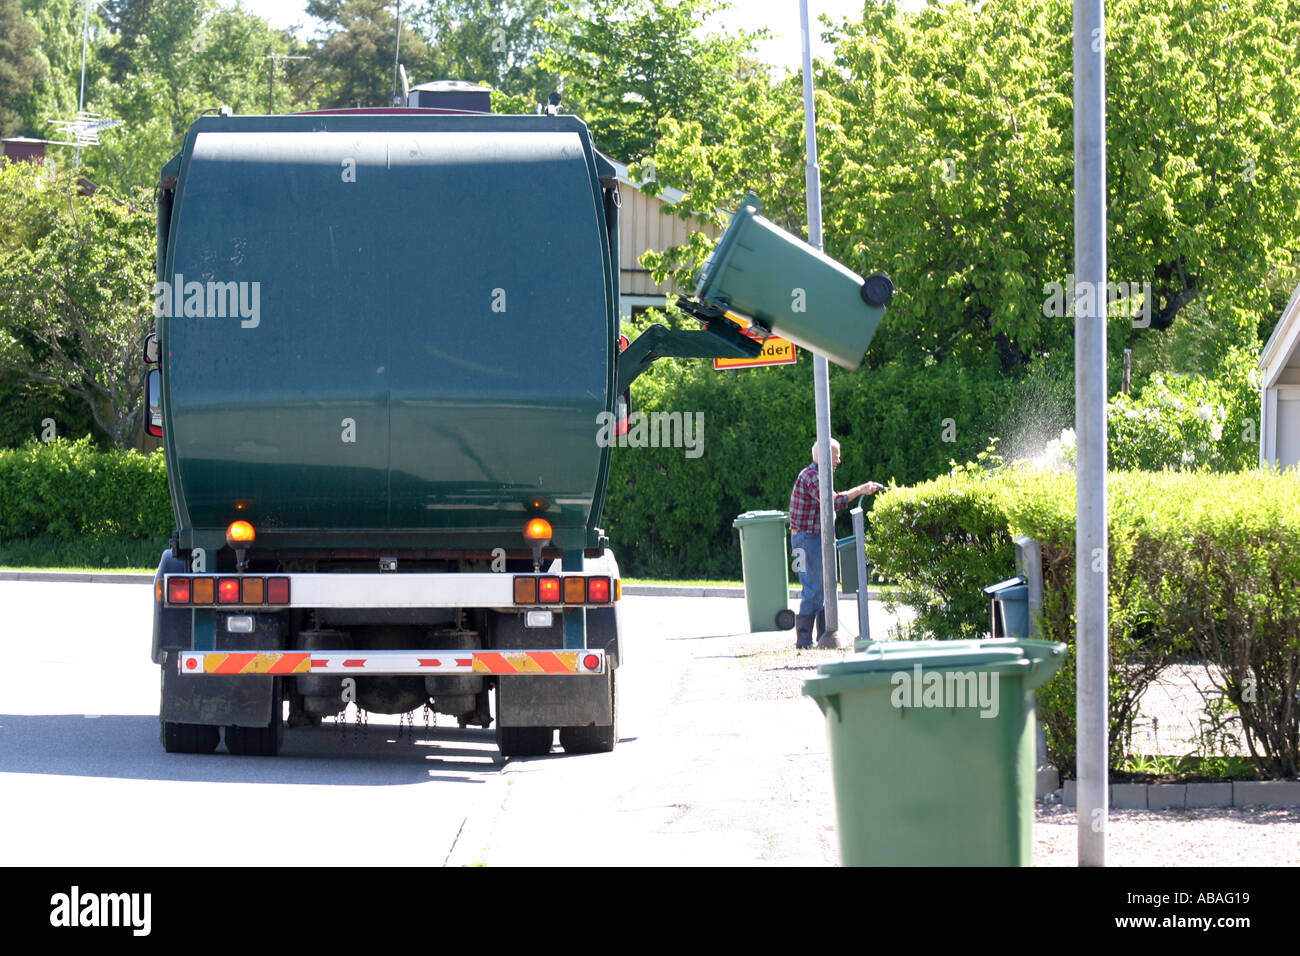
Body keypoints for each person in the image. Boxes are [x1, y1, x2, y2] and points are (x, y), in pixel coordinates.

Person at [788, 439, 884, 649]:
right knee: (813, 587)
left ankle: (823, 635)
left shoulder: (816, 475)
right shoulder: (811, 476)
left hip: (812, 537)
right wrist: (861, 489)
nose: (839, 460)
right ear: (824, 455)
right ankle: (804, 641)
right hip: (807, 539)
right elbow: (833, 501)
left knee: (823, 585)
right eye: (836, 455)